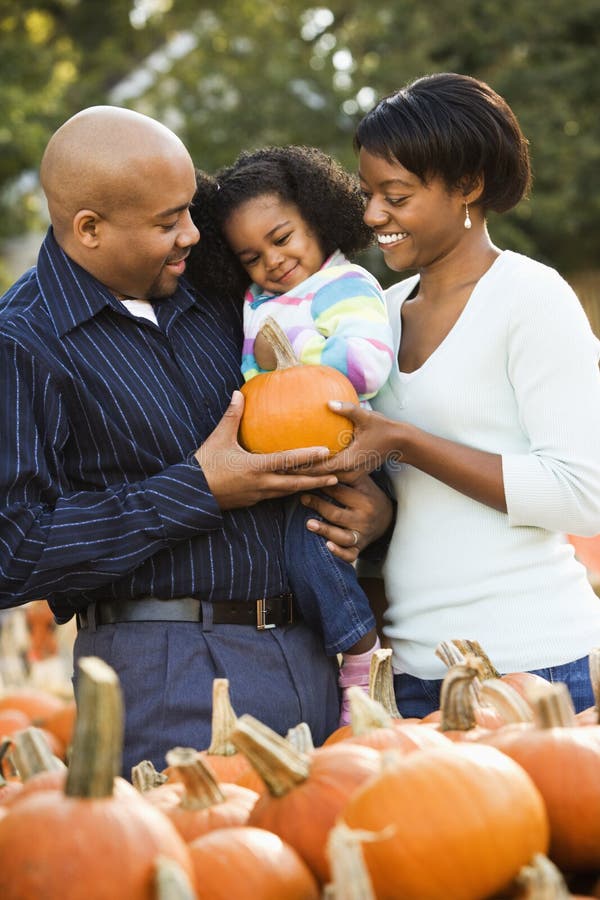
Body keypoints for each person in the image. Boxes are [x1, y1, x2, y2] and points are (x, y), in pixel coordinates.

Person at [0, 105, 393, 774]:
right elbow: (12, 550)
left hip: (315, 653)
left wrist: (376, 511)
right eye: (166, 222)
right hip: (166, 672)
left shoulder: (227, 291)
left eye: (189, 209)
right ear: (88, 229)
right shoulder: (22, 342)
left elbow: (325, 407)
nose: (191, 233)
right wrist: (197, 488)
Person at [305, 72, 600, 716]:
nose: (374, 215)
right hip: (411, 668)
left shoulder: (530, 299)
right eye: (369, 194)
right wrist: (376, 517)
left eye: (397, 195)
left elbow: (586, 494)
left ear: (468, 187)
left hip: (532, 663)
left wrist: (408, 443)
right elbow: (401, 501)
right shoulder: (373, 316)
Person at [188, 145, 395, 722]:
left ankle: (361, 654)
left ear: (317, 219)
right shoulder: (258, 301)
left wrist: (291, 359)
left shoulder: (343, 285)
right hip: (285, 460)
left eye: (284, 238)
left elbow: (366, 364)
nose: (273, 261)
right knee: (292, 558)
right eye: (251, 256)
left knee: (313, 554)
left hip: (346, 449)